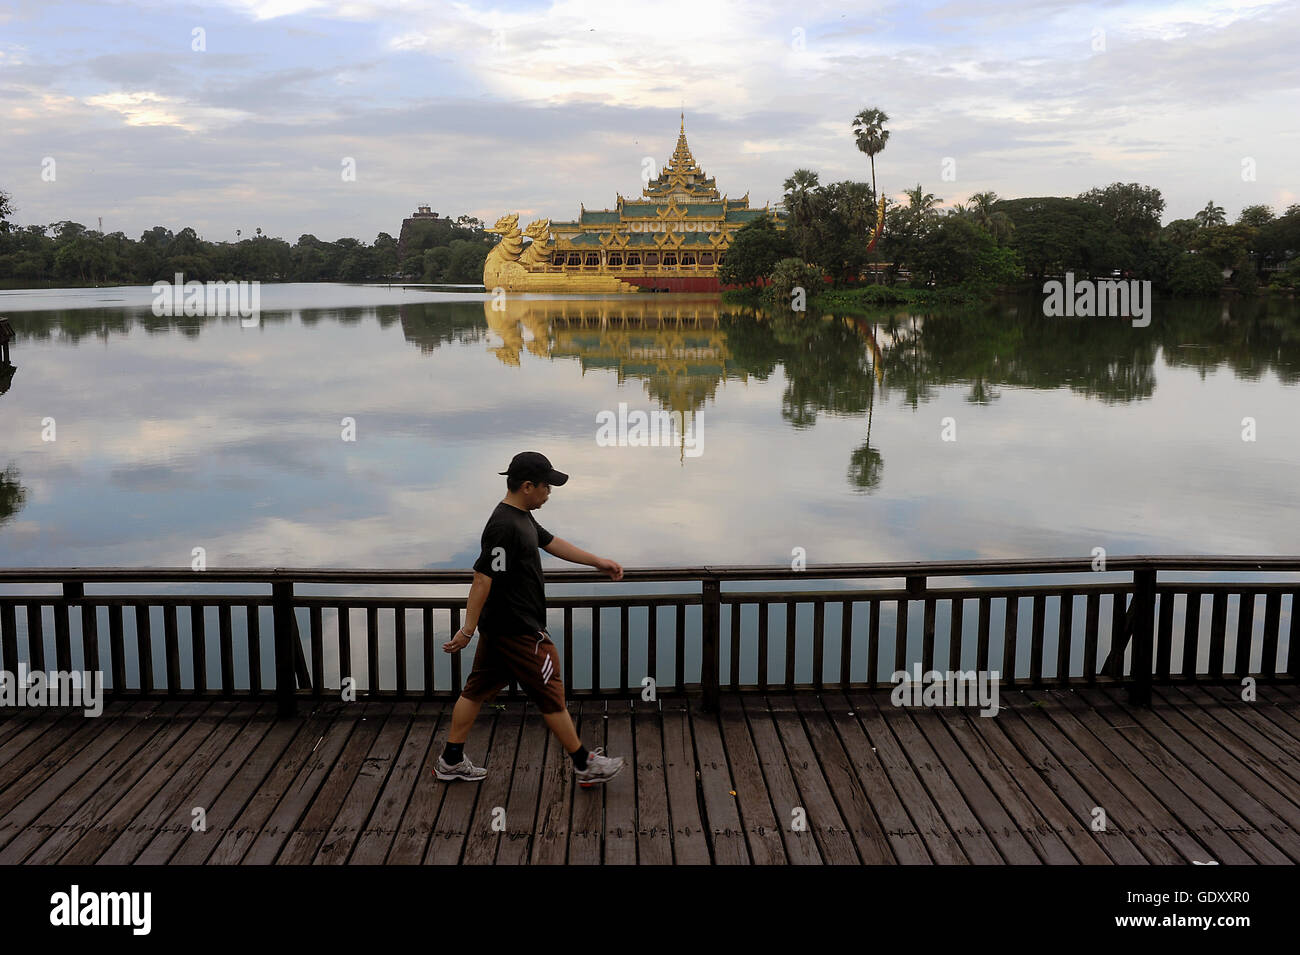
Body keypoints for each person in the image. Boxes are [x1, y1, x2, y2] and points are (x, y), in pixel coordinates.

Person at [435, 451, 626, 787]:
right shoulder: (503, 526)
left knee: (475, 691)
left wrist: (597, 561)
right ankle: (585, 764)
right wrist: (467, 630)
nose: (549, 493)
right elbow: (482, 578)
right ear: (527, 486)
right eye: (546, 487)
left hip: (500, 628)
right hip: (520, 630)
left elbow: (551, 543)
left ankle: (450, 760)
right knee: (551, 693)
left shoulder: (520, 517)